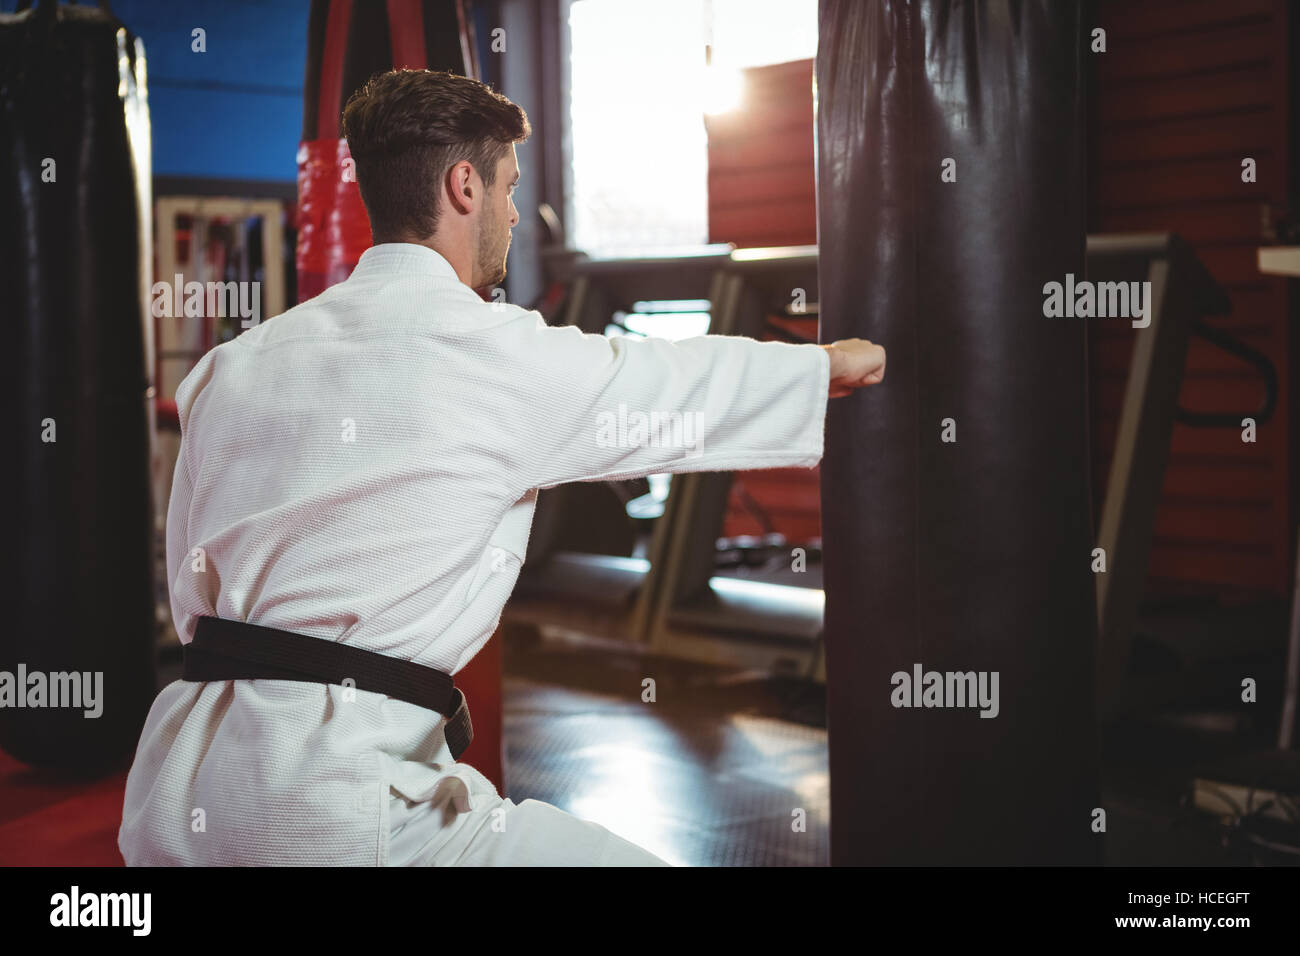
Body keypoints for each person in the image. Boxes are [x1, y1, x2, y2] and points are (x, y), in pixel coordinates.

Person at [118, 69, 885, 867]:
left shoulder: (229, 369)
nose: (516, 212)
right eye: (509, 186)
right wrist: (827, 363)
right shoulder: (493, 354)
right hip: (341, 811)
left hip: (184, 793)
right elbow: (667, 384)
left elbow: (194, 589)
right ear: (463, 187)